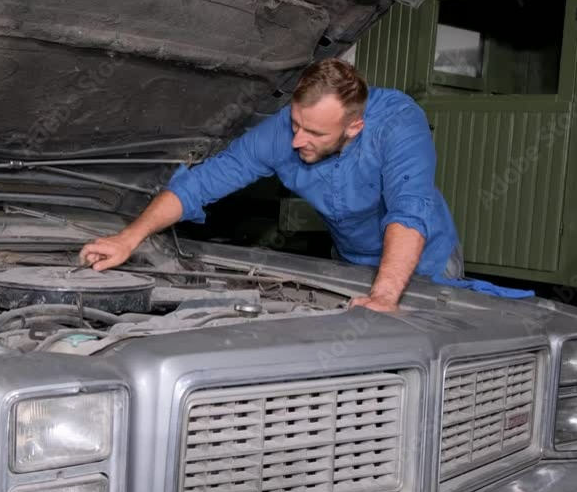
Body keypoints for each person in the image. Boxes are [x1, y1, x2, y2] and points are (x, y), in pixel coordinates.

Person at [80, 58, 463, 312]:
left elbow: (409, 209)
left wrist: (383, 295)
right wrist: (129, 238)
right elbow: (200, 184)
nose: (296, 141)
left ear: (354, 127)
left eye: (313, 132)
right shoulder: (282, 132)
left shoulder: (398, 124)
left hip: (422, 264)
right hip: (349, 263)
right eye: (296, 124)